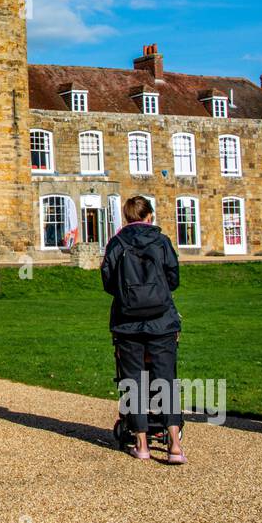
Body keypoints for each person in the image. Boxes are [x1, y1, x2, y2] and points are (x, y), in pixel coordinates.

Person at [100, 195, 185, 464]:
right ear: (150, 216)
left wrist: (129, 297)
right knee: (166, 380)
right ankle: (174, 445)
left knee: (133, 382)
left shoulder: (117, 243)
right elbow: (173, 278)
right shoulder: (162, 241)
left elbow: (108, 281)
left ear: (126, 218)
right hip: (162, 320)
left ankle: (142, 444)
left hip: (127, 323)